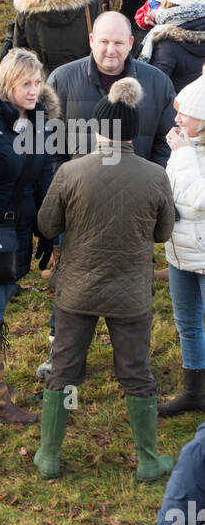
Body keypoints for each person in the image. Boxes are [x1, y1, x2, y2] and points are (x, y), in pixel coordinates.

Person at [34, 75, 176, 483]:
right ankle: (147, 461)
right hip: (131, 295)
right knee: (136, 373)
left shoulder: (71, 172)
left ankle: (49, 456)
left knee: (64, 368)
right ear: (133, 133)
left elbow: (47, 224)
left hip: (76, 290)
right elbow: (162, 234)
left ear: (98, 129)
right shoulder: (154, 176)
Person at [0, 49, 57, 425]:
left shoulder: (40, 121)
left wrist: (47, 230)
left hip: (19, 230)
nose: (34, 90)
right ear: (8, 84)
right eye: (26, 83)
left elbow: (43, 177)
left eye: (38, 82)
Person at [47, 10, 177, 170]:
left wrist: (152, 181)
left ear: (130, 43)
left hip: (139, 189)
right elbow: (49, 143)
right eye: (104, 42)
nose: (110, 50)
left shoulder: (158, 83)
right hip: (79, 189)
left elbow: (167, 142)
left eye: (118, 43)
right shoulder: (61, 80)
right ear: (91, 40)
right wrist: (64, 183)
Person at [153, 67, 205, 417]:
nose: (177, 118)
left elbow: (200, 198)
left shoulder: (185, 150)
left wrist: (183, 154)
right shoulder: (186, 146)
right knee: (186, 321)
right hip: (179, 251)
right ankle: (194, 391)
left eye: (184, 113)